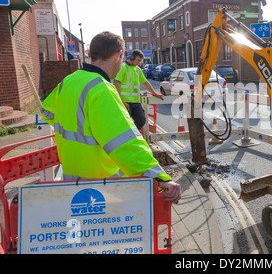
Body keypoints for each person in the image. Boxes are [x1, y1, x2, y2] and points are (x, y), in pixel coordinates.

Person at [42, 31, 181, 203]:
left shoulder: (69, 80)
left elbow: (47, 112)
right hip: (100, 186)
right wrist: (159, 176)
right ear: (119, 55)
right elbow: (126, 143)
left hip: (72, 181)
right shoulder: (101, 89)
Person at [113, 50, 164, 134]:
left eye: (140, 61)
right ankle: (127, 139)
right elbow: (116, 82)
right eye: (138, 60)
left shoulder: (138, 69)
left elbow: (145, 83)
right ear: (132, 57)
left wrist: (155, 93)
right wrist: (120, 100)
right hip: (125, 102)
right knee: (125, 123)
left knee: (141, 120)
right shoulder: (123, 67)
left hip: (136, 101)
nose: (139, 63)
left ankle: (129, 135)